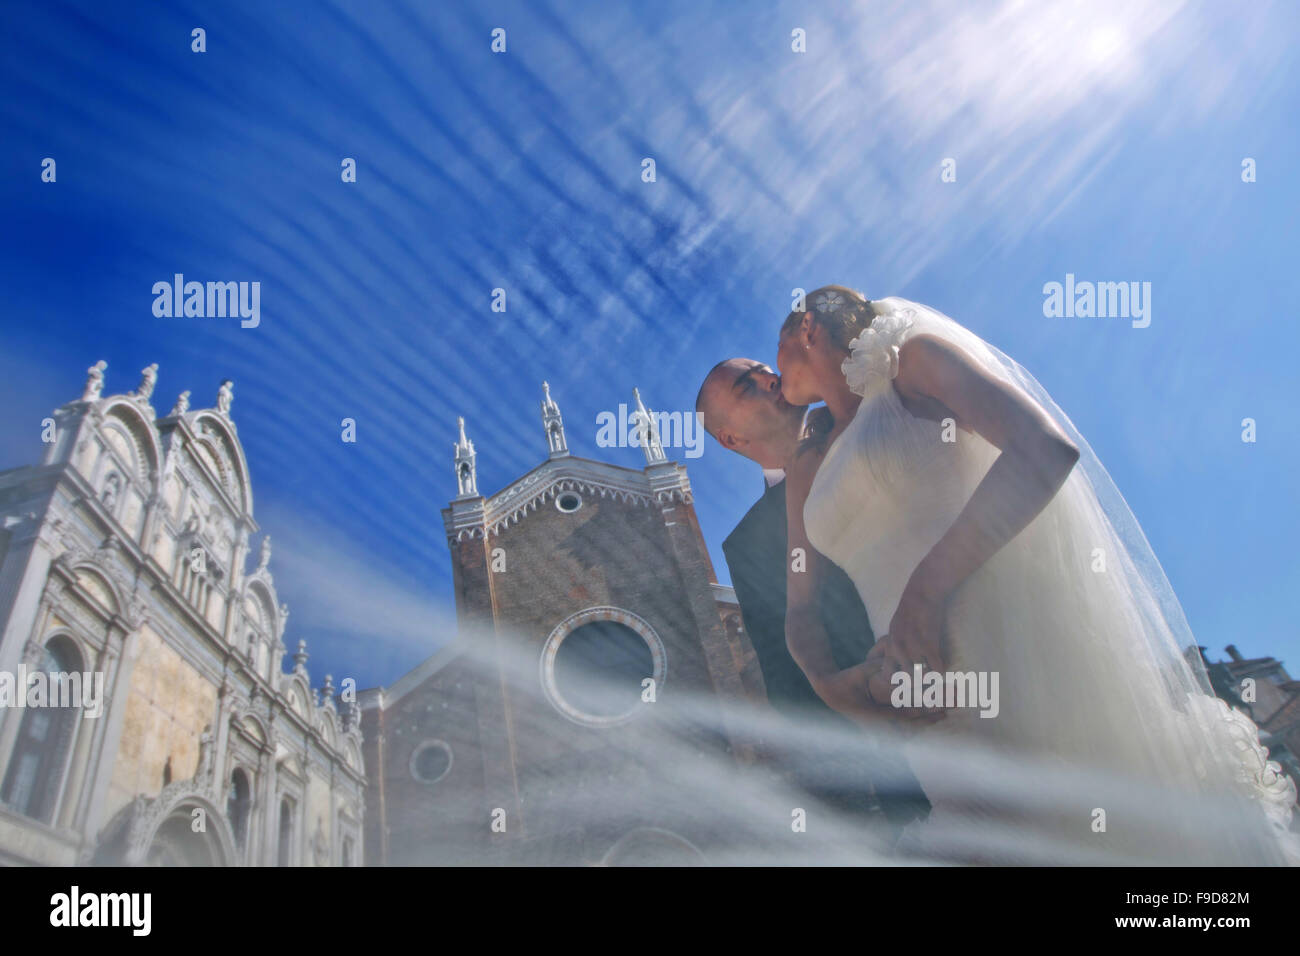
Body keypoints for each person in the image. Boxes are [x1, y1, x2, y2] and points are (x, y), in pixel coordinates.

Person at [775, 284, 1298, 864]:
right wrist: (828, 683)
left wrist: (925, 593)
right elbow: (799, 607)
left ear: (806, 330)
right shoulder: (809, 466)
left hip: (1018, 656)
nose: (775, 377)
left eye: (775, 355)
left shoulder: (914, 363)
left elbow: (1043, 449)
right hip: (925, 702)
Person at [696, 358, 929, 836]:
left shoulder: (875, 424)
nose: (770, 380)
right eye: (747, 386)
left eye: (764, 369)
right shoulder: (747, 545)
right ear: (731, 439)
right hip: (906, 748)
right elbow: (787, 683)